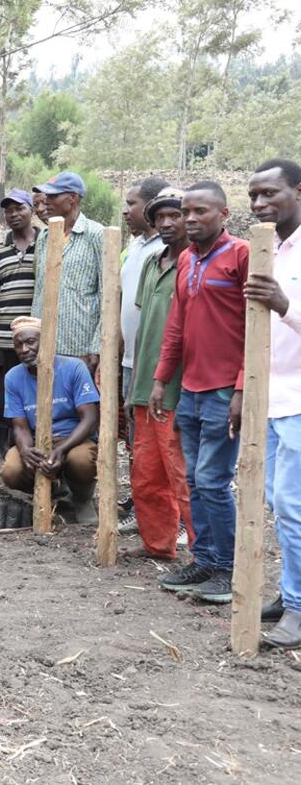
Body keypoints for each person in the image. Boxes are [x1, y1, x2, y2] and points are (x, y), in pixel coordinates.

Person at [153, 182, 249, 604]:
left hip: (223, 389)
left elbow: (256, 327)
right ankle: (205, 560)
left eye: (200, 212)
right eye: (186, 211)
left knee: (213, 481)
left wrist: (244, 388)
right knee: (194, 479)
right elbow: (177, 325)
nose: (190, 219)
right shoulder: (188, 259)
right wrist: (161, 378)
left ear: (224, 214)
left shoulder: (242, 255)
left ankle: (227, 570)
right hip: (189, 388)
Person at [244, 158, 301, 648]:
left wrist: (285, 306)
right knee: (277, 503)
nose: (260, 204)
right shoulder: (270, 252)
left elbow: (282, 314)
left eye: (270, 194)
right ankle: (291, 593)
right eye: (254, 196)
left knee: (292, 503)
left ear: (299, 192)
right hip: (272, 396)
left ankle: (299, 608)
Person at [126, 187, 193, 560]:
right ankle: (158, 543)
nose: (167, 223)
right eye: (161, 217)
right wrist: (137, 379)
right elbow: (143, 324)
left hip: (180, 388)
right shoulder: (153, 263)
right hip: (144, 384)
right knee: (146, 473)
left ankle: (207, 557)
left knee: (182, 475)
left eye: (175, 215)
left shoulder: (197, 264)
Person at [0, 317, 100, 523]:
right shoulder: (13, 377)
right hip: (38, 440)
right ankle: (52, 490)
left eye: (30, 342)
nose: (24, 349)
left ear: (45, 341)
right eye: (18, 345)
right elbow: (19, 425)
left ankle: (82, 499)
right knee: (11, 470)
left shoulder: (74, 368)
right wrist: (27, 451)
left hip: (73, 439)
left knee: (82, 461)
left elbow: (90, 418)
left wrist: (62, 449)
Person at [116, 177, 169, 525]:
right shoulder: (134, 249)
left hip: (154, 362)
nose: (125, 211)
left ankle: (170, 515)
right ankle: (141, 503)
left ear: (150, 208)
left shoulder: (162, 252)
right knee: (135, 440)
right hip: (130, 358)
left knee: (161, 443)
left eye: (132, 204)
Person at [0, 189, 38, 471]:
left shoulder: (48, 243)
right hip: (4, 336)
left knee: (34, 393)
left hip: (37, 338)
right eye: (9, 210)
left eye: (20, 208)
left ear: (31, 210)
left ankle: (25, 453)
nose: (14, 214)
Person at [31, 172, 105, 372]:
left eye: (53, 196)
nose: (46, 201)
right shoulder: (44, 236)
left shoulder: (96, 234)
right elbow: (39, 289)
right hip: (45, 341)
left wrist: (97, 346)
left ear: (72, 198)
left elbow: (107, 294)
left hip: (80, 343)